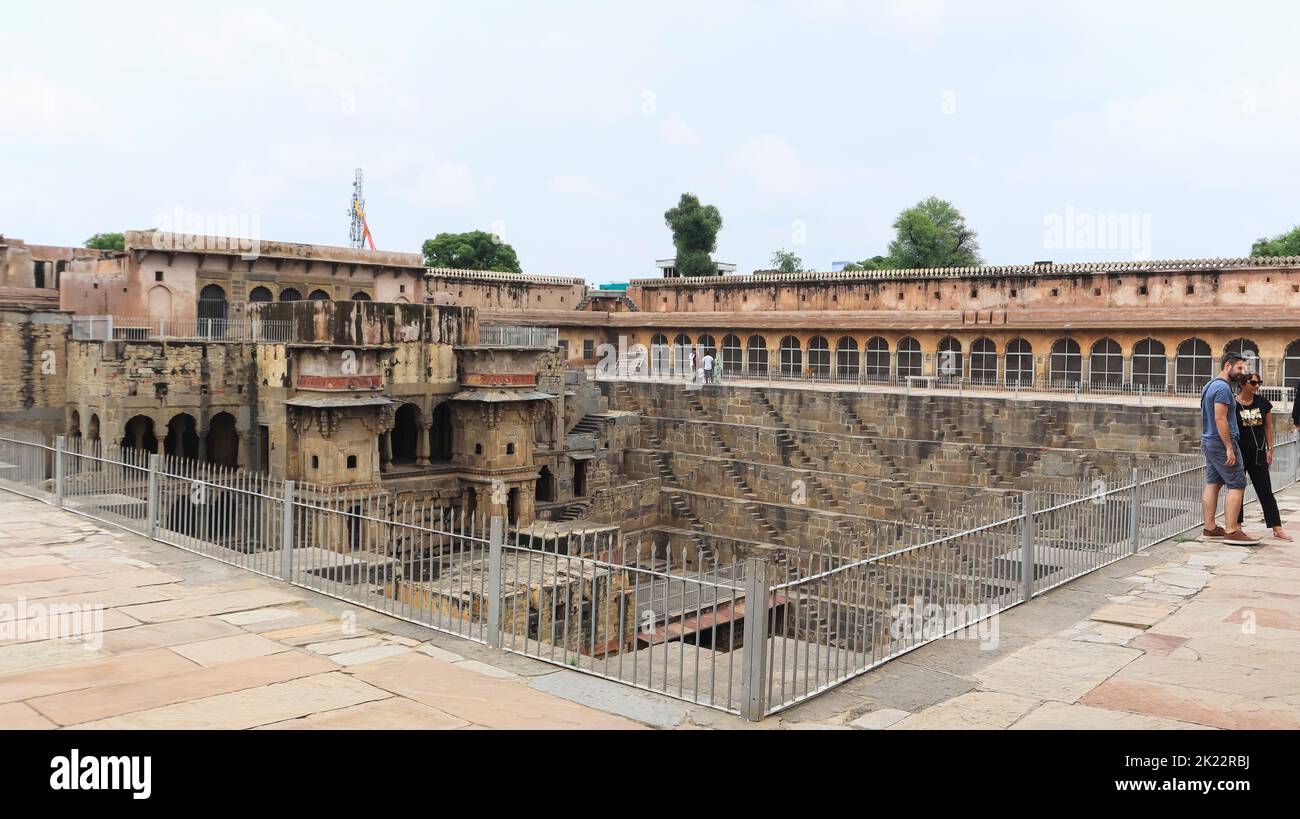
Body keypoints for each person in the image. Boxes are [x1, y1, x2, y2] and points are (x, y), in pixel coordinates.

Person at [1200, 352, 1261, 545]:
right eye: (1240, 368)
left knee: (1214, 482)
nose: (1242, 372)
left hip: (1209, 440)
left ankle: (1210, 527)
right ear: (1228, 366)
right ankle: (1232, 530)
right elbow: (1220, 418)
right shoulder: (1223, 389)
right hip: (1221, 441)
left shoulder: (1209, 385)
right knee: (1237, 483)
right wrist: (1228, 447)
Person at [1236, 374, 1291, 541]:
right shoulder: (1232, 404)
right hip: (1239, 453)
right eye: (1253, 382)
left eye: (1258, 383)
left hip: (1258, 453)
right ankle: (1236, 526)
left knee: (1265, 489)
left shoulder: (1263, 403)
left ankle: (1277, 527)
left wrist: (1270, 449)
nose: (1256, 386)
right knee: (1237, 489)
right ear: (1243, 384)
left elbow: (1268, 427)